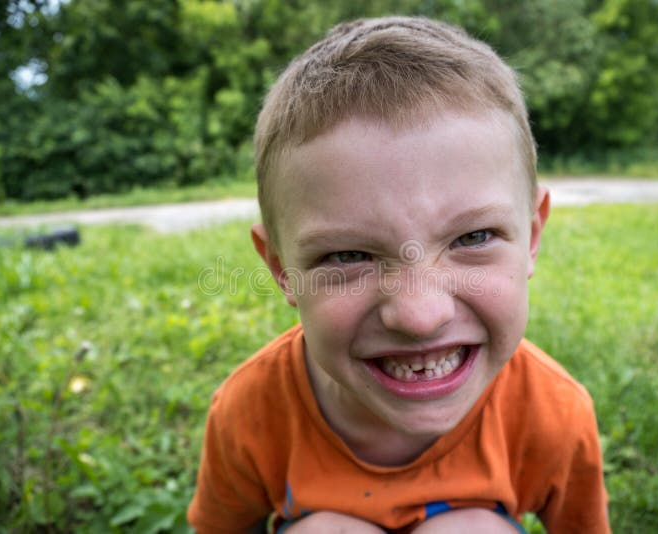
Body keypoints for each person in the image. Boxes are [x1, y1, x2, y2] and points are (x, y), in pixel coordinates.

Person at [188, 16, 610, 533]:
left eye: (472, 238)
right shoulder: (249, 411)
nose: (419, 316)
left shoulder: (553, 412)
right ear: (282, 269)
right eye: (348, 256)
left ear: (533, 237)